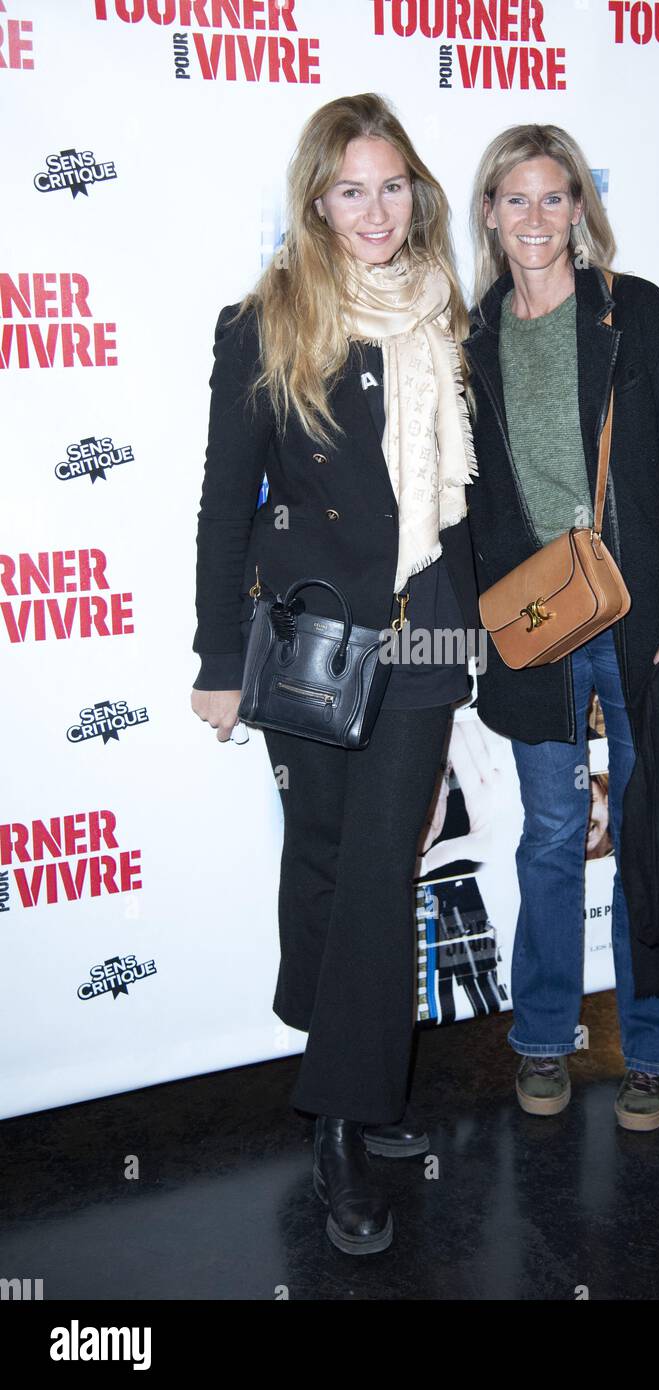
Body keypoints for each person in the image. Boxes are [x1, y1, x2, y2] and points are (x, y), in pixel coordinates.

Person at [190, 93, 478, 1254]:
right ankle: (344, 1083)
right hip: (312, 638)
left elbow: (470, 496)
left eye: (392, 184)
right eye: (350, 187)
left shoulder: (443, 314)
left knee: (374, 872)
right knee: (319, 862)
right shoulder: (263, 323)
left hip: (425, 635)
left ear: (416, 193)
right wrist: (217, 655)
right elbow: (223, 505)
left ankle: (343, 1107)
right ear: (317, 197)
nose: (373, 208)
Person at [464, 123, 659, 1131]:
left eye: (553, 198)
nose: (534, 219)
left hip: (642, 621)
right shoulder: (468, 340)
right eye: (514, 199)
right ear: (487, 213)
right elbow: (463, 502)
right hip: (535, 626)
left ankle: (652, 1049)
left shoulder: (637, 316)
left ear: (580, 207)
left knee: (651, 838)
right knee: (548, 836)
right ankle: (540, 1038)